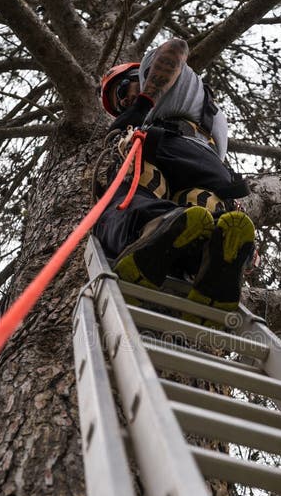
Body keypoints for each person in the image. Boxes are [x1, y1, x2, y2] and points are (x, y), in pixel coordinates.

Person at [96, 37, 256, 312]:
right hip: (209, 164)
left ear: (138, 74)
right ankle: (211, 262)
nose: (124, 100)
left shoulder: (153, 69)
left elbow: (176, 47)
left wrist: (142, 104)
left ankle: (152, 227)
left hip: (162, 145)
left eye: (123, 89)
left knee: (136, 190)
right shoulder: (205, 107)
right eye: (121, 104)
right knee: (202, 208)